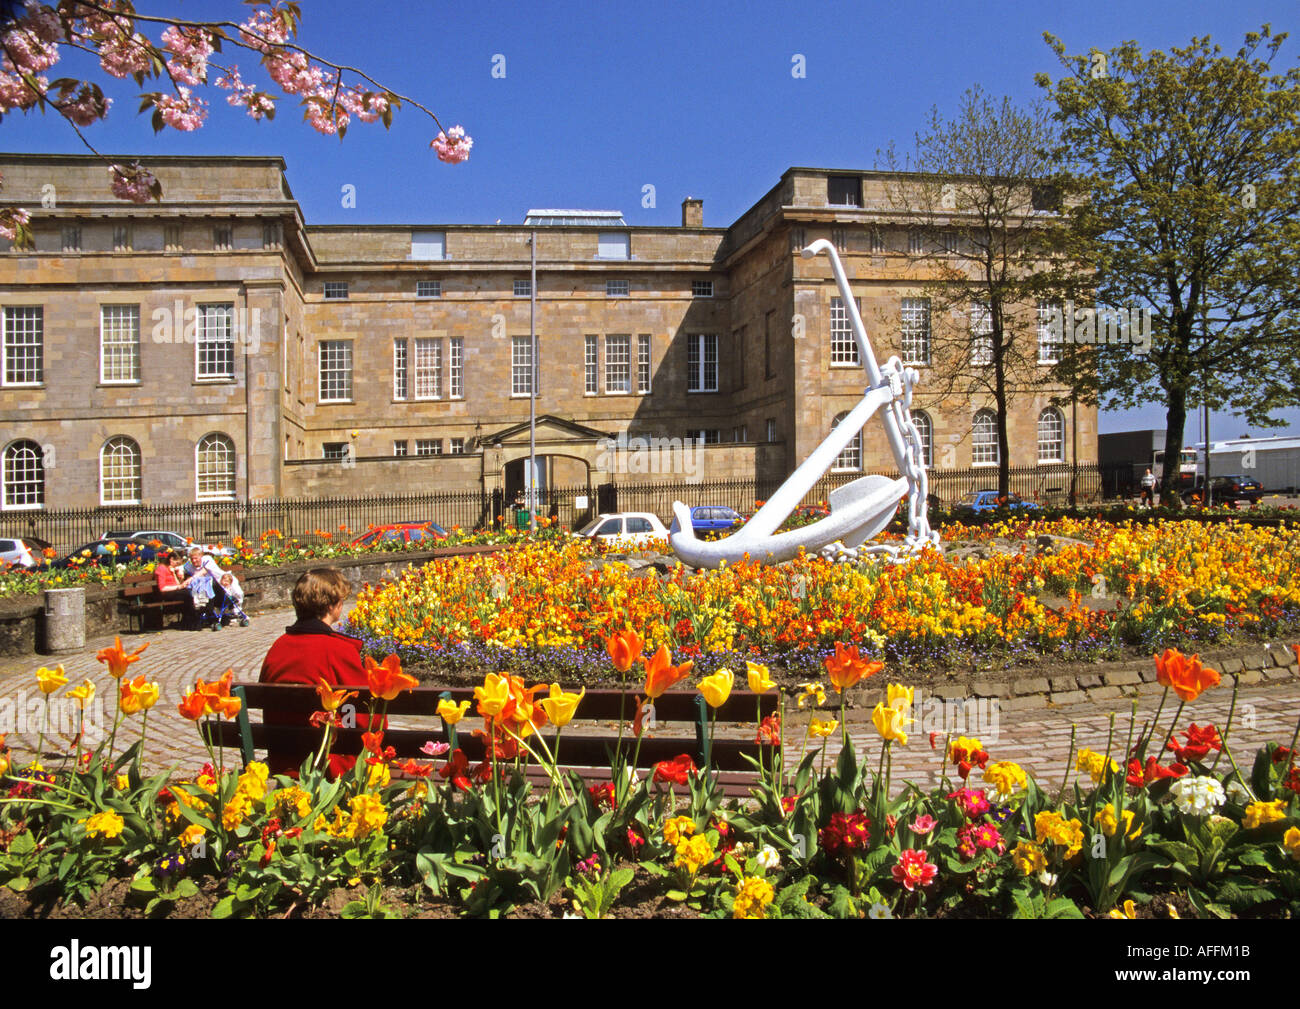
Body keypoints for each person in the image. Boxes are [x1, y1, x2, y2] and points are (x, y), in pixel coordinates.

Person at [259, 568, 371, 776]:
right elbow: (365, 713)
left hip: (285, 760)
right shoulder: (339, 650)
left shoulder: (278, 647)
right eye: (341, 601)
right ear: (332, 606)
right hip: (328, 764)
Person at [153, 550, 199, 629]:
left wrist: (174, 574)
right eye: (177, 563)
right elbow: (162, 588)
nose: (177, 565)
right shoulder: (161, 569)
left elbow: (177, 584)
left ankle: (190, 621)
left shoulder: (171, 569)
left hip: (175, 591)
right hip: (166, 594)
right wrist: (178, 587)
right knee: (187, 594)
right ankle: (191, 622)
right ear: (171, 560)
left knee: (191, 593)